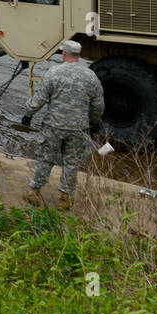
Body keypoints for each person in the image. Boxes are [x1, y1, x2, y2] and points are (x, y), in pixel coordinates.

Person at [22, 39, 104, 210]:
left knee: (46, 158)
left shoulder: (54, 73)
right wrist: (94, 122)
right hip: (78, 128)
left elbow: (39, 100)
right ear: (78, 55)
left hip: (54, 126)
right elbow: (98, 105)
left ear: (64, 54)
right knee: (71, 162)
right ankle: (64, 198)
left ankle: (34, 192)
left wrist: (28, 115)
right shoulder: (90, 76)